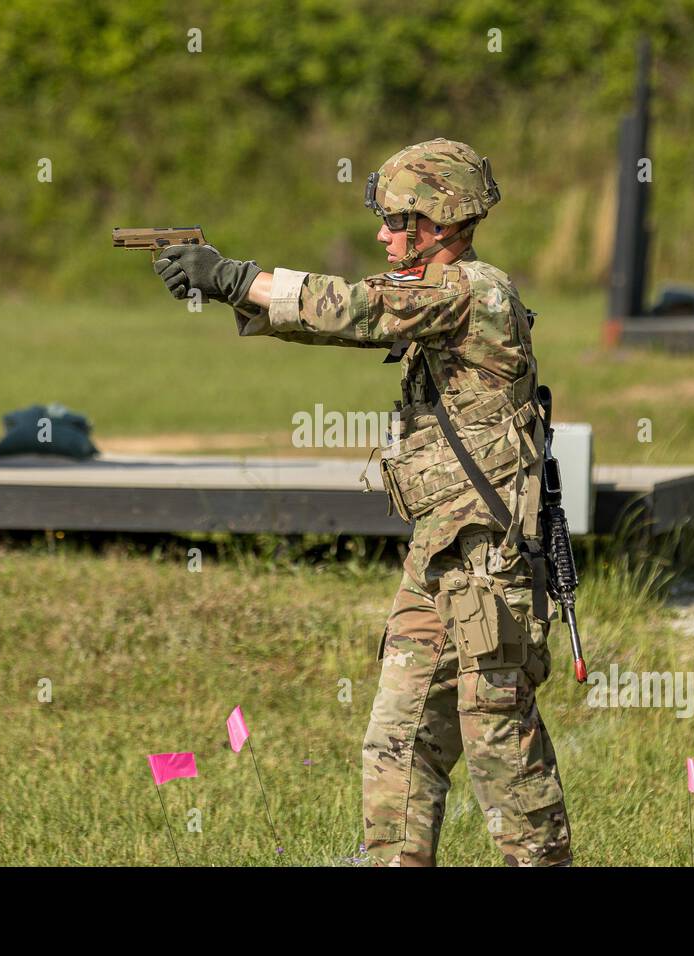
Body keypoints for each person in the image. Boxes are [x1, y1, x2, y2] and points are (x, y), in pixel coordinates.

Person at [152, 138, 572, 866]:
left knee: (499, 747)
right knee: (397, 740)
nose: (382, 234)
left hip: (488, 567)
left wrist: (232, 277)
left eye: (395, 219)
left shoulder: (474, 290)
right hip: (439, 561)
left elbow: (354, 309)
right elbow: (351, 310)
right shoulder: (439, 292)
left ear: (439, 221)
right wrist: (236, 287)